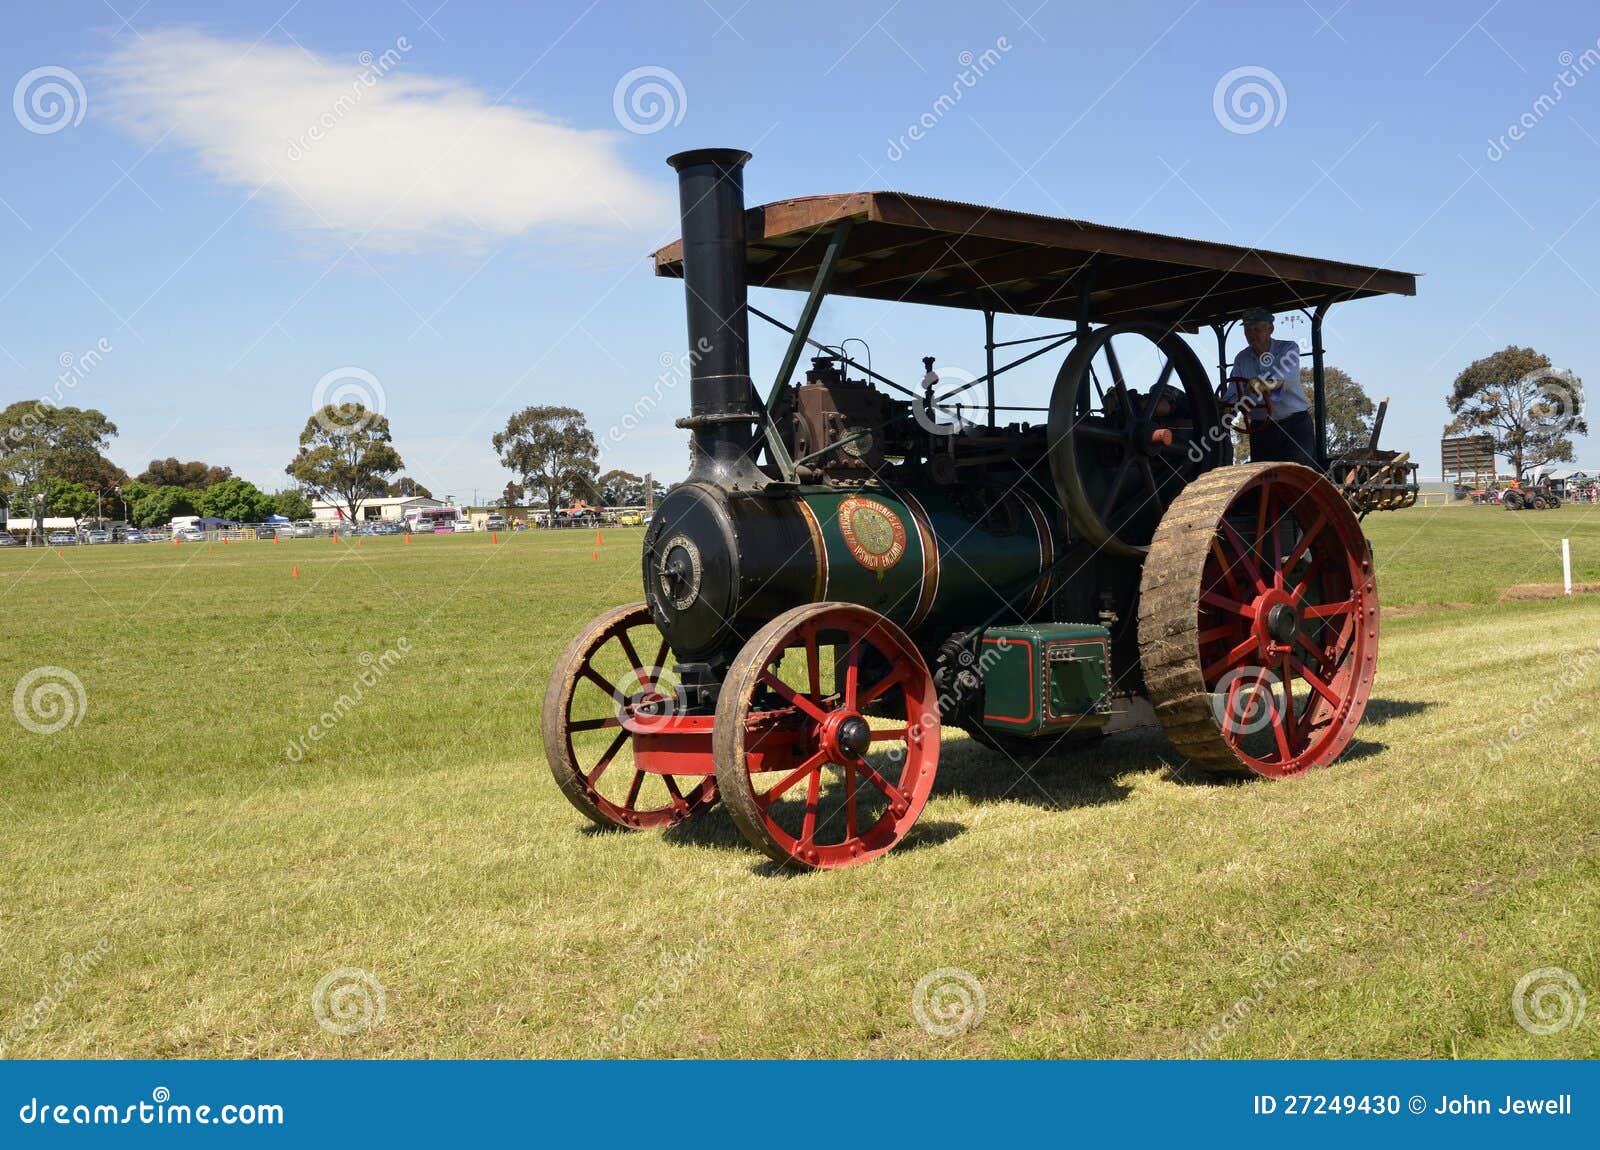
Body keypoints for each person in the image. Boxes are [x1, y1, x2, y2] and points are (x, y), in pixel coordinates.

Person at [1221, 308, 1316, 466]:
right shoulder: (1241, 358)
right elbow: (1233, 394)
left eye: (1256, 329)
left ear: (1270, 329)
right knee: (1263, 477)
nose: (1251, 334)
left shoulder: (1288, 349)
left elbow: (1276, 382)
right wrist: (1223, 408)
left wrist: (1256, 384)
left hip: (1294, 426)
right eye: (1247, 330)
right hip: (1261, 430)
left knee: (1298, 475)